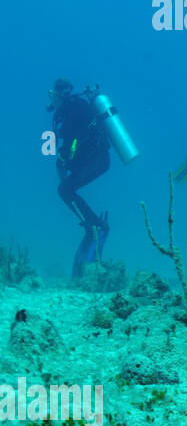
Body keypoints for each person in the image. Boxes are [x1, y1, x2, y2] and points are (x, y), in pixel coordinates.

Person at [48, 79, 111, 277]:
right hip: (94, 159)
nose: (51, 99)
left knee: (65, 190)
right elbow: (71, 143)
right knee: (65, 190)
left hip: (98, 159)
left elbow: (70, 144)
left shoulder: (72, 111)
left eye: (53, 95)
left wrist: (61, 162)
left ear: (60, 95)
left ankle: (95, 226)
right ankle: (92, 224)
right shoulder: (71, 110)